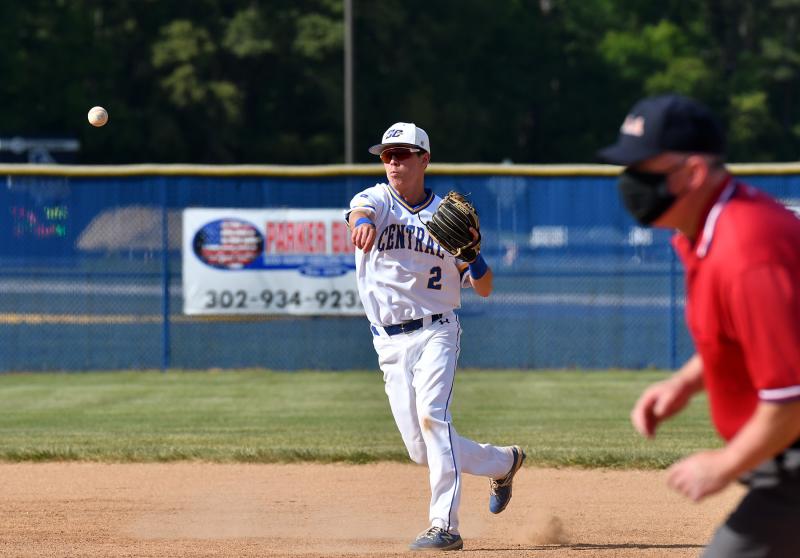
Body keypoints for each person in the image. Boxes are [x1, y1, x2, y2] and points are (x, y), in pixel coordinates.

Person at [598, 94, 800, 558]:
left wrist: (724, 465)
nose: (631, 182)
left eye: (644, 170)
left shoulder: (748, 249)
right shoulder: (708, 232)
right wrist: (687, 382)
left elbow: (790, 398)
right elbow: (741, 336)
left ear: (692, 173)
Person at [346, 122, 525, 551]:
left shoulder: (446, 217)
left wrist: (474, 255)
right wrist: (361, 222)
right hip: (387, 341)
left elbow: (484, 286)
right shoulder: (376, 198)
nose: (393, 162)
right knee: (422, 449)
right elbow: (360, 212)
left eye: (403, 154)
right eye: (388, 155)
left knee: (433, 417)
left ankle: (443, 525)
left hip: (436, 332)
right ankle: (504, 462)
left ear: (424, 159)